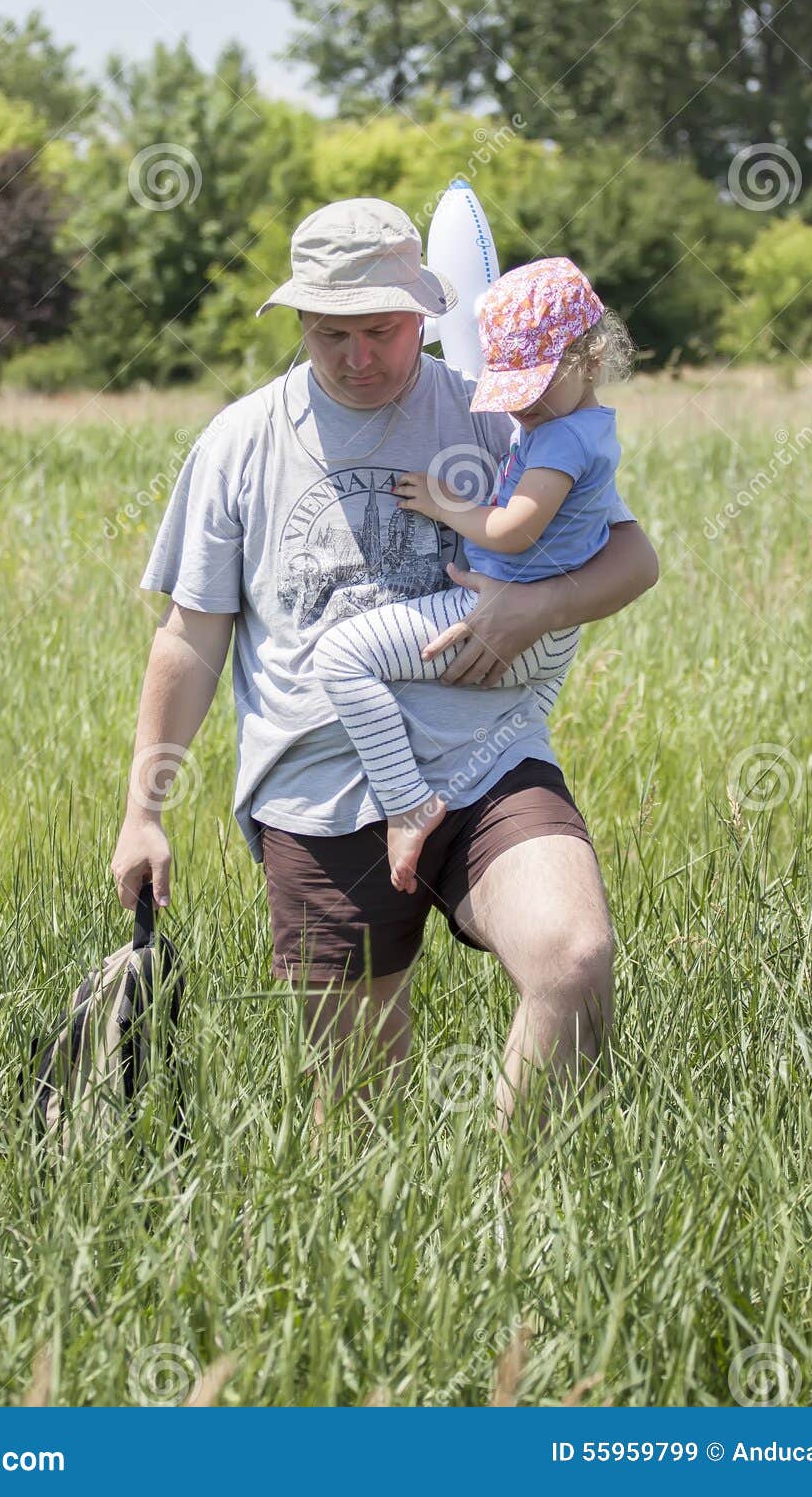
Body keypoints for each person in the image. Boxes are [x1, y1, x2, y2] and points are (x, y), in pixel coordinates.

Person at [112, 197, 658, 1151]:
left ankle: (512, 1210)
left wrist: (537, 608)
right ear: (297, 319)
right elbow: (189, 639)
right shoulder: (239, 442)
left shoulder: (496, 408)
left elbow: (631, 559)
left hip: (487, 763)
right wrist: (142, 811)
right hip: (320, 793)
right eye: (331, 333)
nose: (358, 357)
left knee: (573, 962)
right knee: (361, 1108)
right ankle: (404, 1237)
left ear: (425, 311)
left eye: (382, 331)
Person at [312, 256, 633, 894]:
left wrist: (444, 503)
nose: (523, 406)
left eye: (535, 386)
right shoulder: (584, 425)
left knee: (341, 658)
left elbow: (515, 530)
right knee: (518, 724)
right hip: (555, 639)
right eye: (512, 388)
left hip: (500, 614)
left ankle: (409, 803)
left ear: (591, 360)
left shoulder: (562, 439)